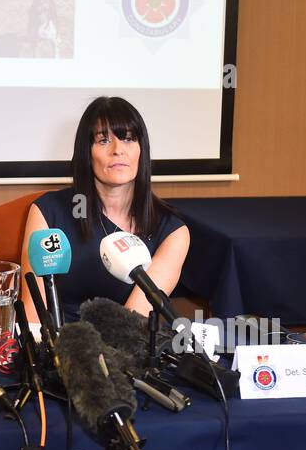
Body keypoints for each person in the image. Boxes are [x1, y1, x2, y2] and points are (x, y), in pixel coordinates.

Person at [20, 96, 189, 324]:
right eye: (103, 141)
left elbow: (133, 321)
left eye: (128, 139)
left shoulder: (172, 231)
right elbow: (33, 312)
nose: (118, 150)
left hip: (124, 350)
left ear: (142, 150)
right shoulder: (48, 212)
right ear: (87, 153)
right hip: (56, 347)